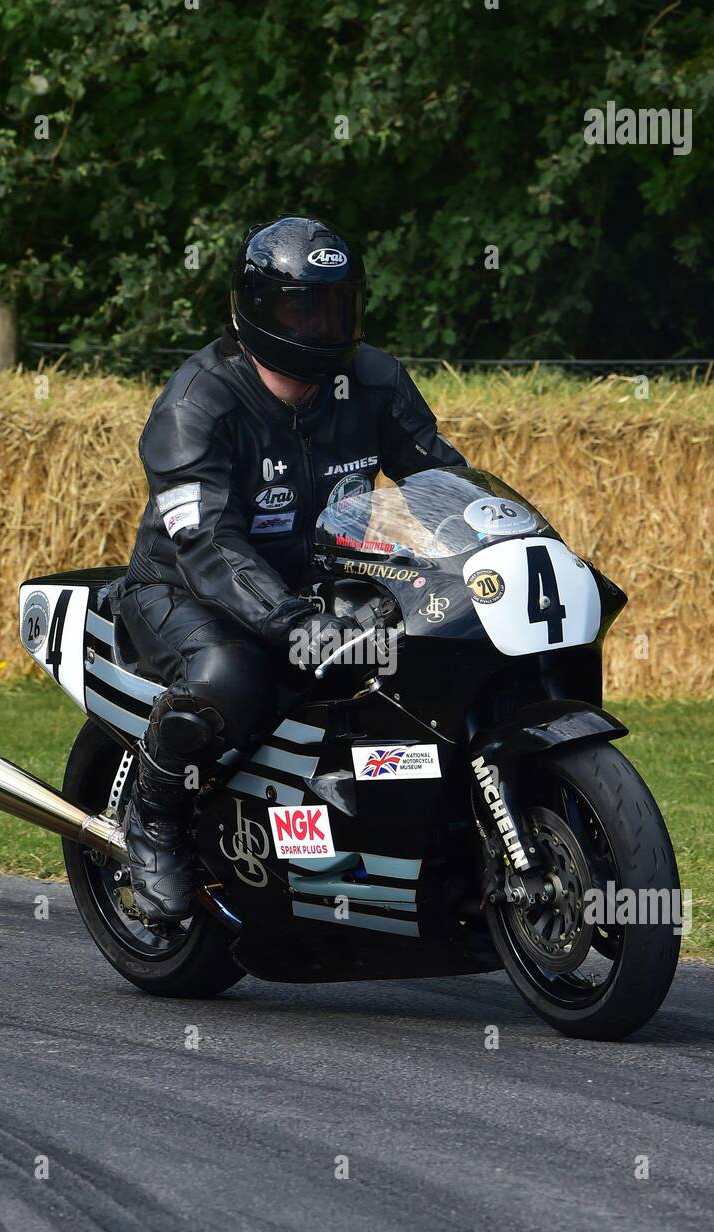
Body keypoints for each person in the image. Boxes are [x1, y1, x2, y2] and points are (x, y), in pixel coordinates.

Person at [119, 215, 467, 924]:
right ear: (253, 307)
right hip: (183, 591)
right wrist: (293, 623)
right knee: (231, 676)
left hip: (316, 581)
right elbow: (208, 542)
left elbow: (440, 484)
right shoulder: (196, 404)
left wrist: (490, 551)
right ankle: (151, 823)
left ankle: (393, 838)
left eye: (335, 306)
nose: (318, 326)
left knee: (421, 653)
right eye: (299, 308)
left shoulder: (372, 381)